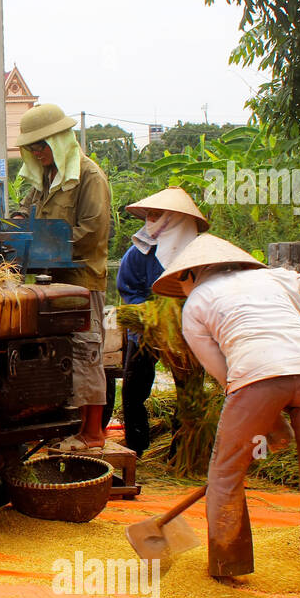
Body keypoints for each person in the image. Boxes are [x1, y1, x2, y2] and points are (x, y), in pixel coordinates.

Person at [151, 235, 300, 598]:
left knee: (226, 472)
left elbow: (226, 375)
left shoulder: (195, 303)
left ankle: (229, 566)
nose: (181, 288)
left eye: (181, 280)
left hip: (255, 377)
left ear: (193, 274)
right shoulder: (279, 277)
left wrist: (269, 420)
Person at [11, 104, 111, 450]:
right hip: (47, 281)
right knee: (56, 354)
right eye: (33, 147)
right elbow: (25, 212)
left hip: (81, 280)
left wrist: (44, 247)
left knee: (86, 351)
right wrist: (12, 225)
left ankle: (93, 434)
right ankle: (66, 428)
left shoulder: (88, 175)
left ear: (59, 139)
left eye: (43, 145)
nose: (38, 152)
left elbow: (92, 230)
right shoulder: (45, 178)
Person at [115, 188, 208, 455]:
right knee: (133, 390)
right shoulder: (137, 254)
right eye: (149, 216)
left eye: (157, 216)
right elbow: (129, 291)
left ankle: (183, 451)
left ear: (175, 220)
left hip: (188, 333)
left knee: (190, 394)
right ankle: (136, 449)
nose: (150, 221)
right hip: (146, 332)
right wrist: (149, 316)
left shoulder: (200, 256)